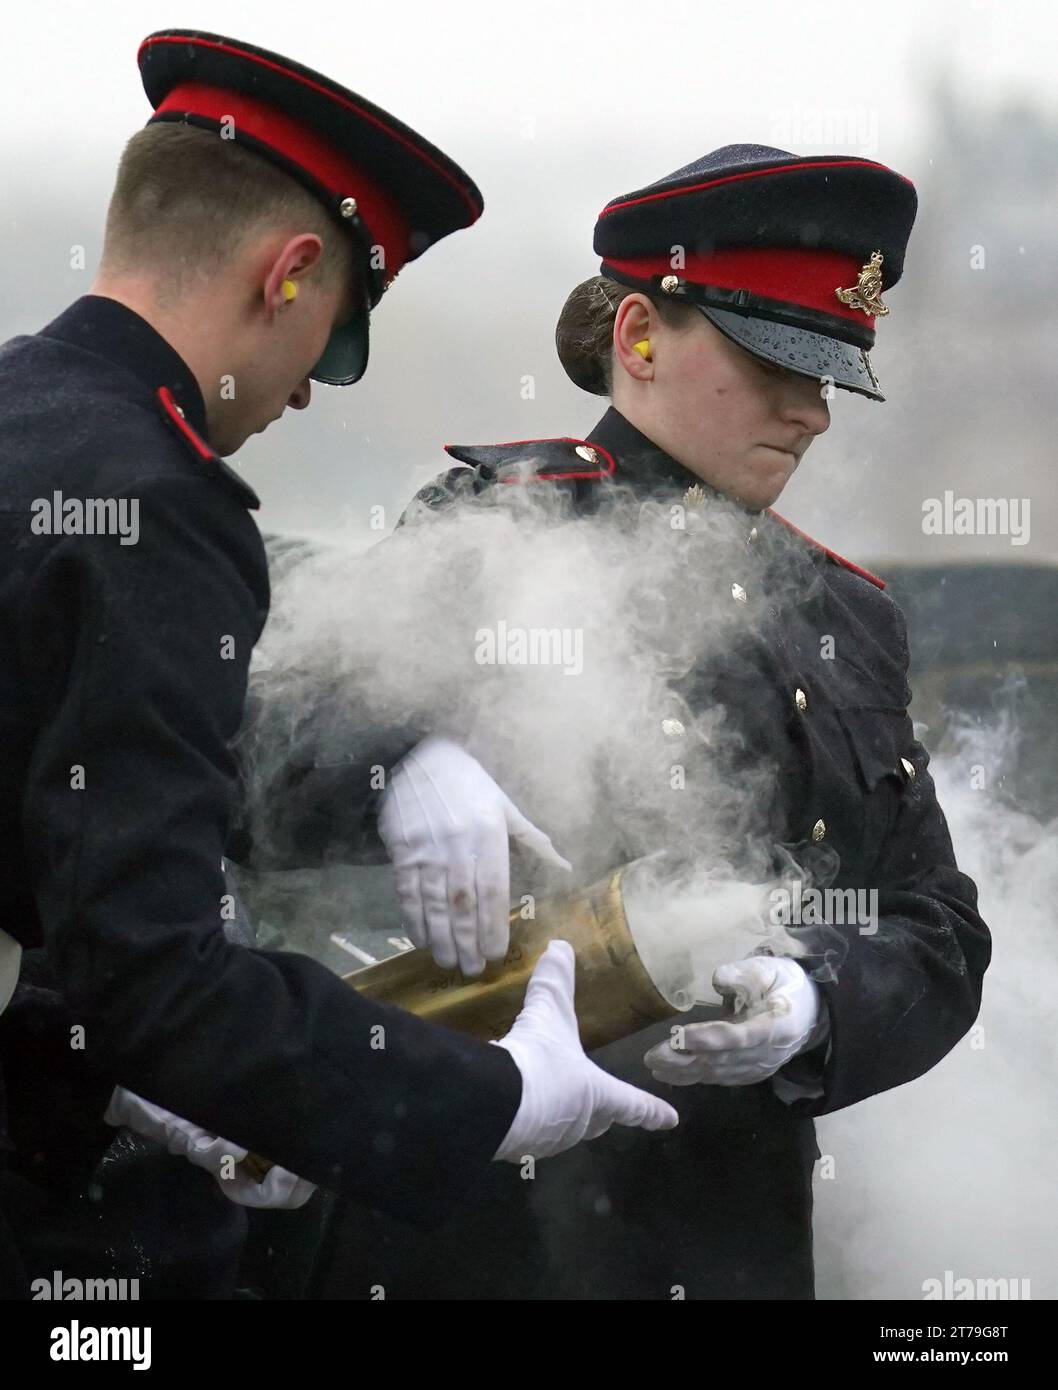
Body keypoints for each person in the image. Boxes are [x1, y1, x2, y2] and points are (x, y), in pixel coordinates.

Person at [0, 28, 676, 1300]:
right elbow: (151, 974)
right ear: (291, 273)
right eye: (341, 337)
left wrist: (135, 1085)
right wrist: (494, 1094)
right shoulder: (159, 500)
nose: (312, 392)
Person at [315, 144, 992, 1299]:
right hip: (487, 1239)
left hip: (729, 1240)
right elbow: (277, 762)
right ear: (637, 338)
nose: (812, 411)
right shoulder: (492, 528)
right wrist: (403, 759)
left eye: (829, 376)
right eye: (775, 361)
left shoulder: (847, 615)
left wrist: (818, 997)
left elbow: (939, 932)